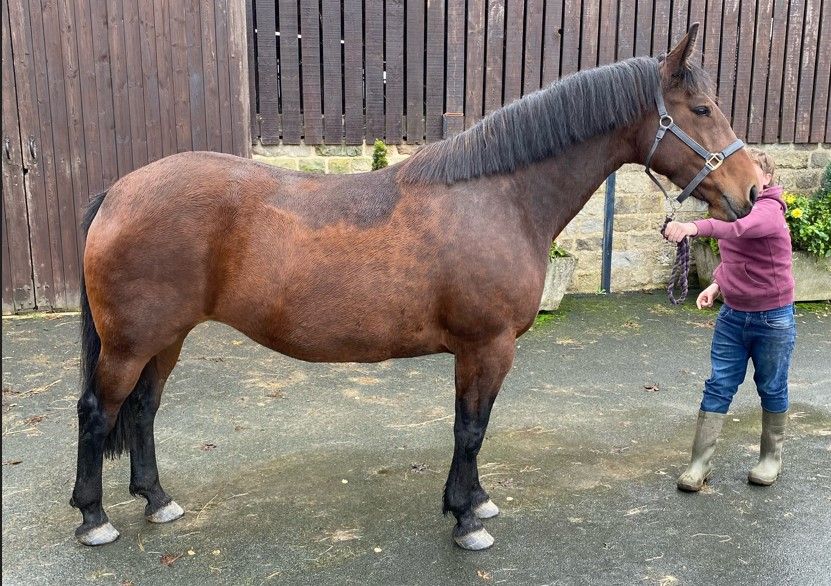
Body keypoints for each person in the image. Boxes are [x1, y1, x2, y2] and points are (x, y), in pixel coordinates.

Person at [663, 148, 795, 491]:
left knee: (772, 386)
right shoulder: (738, 207)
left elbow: (737, 231)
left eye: (751, 171)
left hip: (773, 318)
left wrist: (691, 226)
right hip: (734, 316)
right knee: (719, 384)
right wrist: (716, 285)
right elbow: (736, 255)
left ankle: (770, 459)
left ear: (765, 178)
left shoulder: (768, 211)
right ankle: (699, 465)